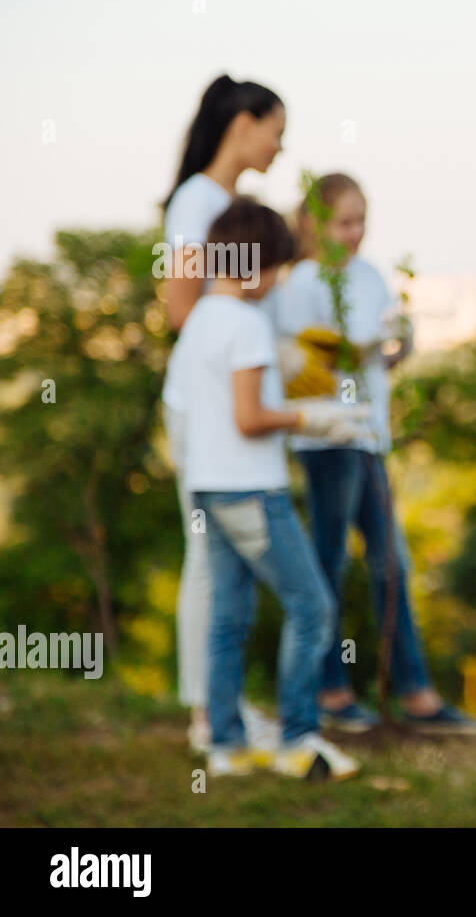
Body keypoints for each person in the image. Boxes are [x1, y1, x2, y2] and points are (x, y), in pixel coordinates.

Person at [271, 173, 476, 734]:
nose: (355, 232)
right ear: (316, 222)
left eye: (361, 219)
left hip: (369, 436)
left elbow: (375, 363)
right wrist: (349, 355)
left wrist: (396, 350)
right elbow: (302, 371)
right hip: (328, 440)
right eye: (344, 221)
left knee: (392, 564)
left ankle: (414, 693)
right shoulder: (303, 284)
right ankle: (329, 689)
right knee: (330, 562)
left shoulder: (368, 276)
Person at [166, 197, 369, 779]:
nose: (279, 281)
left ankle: (226, 746)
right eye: (278, 268)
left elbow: (188, 406)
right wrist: (312, 417)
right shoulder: (247, 325)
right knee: (311, 606)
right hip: (251, 490)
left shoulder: (200, 319)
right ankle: (299, 739)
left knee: (228, 617)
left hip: (207, 488)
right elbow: (250, 418)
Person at [159, 74, 287, 755]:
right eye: (277, 131)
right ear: (245, 123)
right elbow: (182, 310)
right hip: (208, 410)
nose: (280, 147)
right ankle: (210, 716)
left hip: (222, 407)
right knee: (208, 561)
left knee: (223, 561)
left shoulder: (224, 202)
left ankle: (222, 708)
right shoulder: (198, 203)